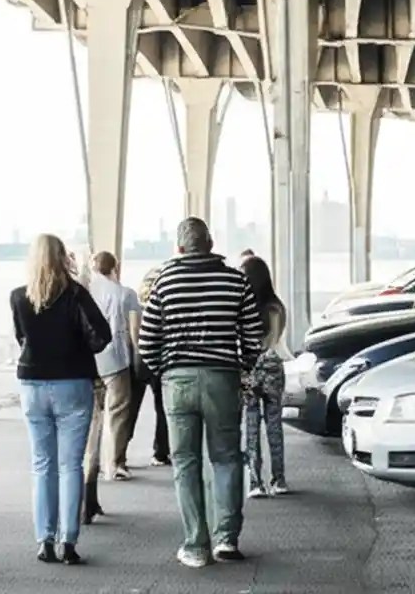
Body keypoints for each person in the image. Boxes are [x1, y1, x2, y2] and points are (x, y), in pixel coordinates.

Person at [138, 218, 264, 567]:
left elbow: (147, 341)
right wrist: (244, 366)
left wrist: (165, 369)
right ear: (210, 244)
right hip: (222, 378)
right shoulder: (234, 279)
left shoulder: (165, 280)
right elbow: (254, 335)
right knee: (226, 458)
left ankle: (195, 545)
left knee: (185, 463)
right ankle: (227, 540)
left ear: (179, 248)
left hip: (177, 381)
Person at [10, 235, 110, 565]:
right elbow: (102, 335)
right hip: (73, 383)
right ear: (62, 257)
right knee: (70, 466)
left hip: (33, 385)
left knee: (42, 465)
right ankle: (68, 541)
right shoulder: (76, 294)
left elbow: (22, 338)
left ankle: (44, 539)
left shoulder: (19, 297)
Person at [84, 251, 140, 482]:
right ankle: (114, 464)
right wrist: (138, 353)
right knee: (117, 412)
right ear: (115, 267)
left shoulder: (84, 293)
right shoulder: (125, 293)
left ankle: (90, 462)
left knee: (91, 415)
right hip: (116, 359)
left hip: (89, 360)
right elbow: (135, 330)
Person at [239, 255, 289, 498]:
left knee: (251, 426)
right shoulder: (277, 307)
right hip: (273, 368)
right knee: (274, 425)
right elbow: (275, 340)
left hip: (250, 370)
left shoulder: (244, 308)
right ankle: (279, 479)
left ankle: (255, 482)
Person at [125, 265, 169, 467]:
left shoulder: (137, 303)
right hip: (160, 360)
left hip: (138, 359)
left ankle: (120, 451)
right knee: (162, 408)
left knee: (131, 407)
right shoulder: (165, 304)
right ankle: (160, 452)